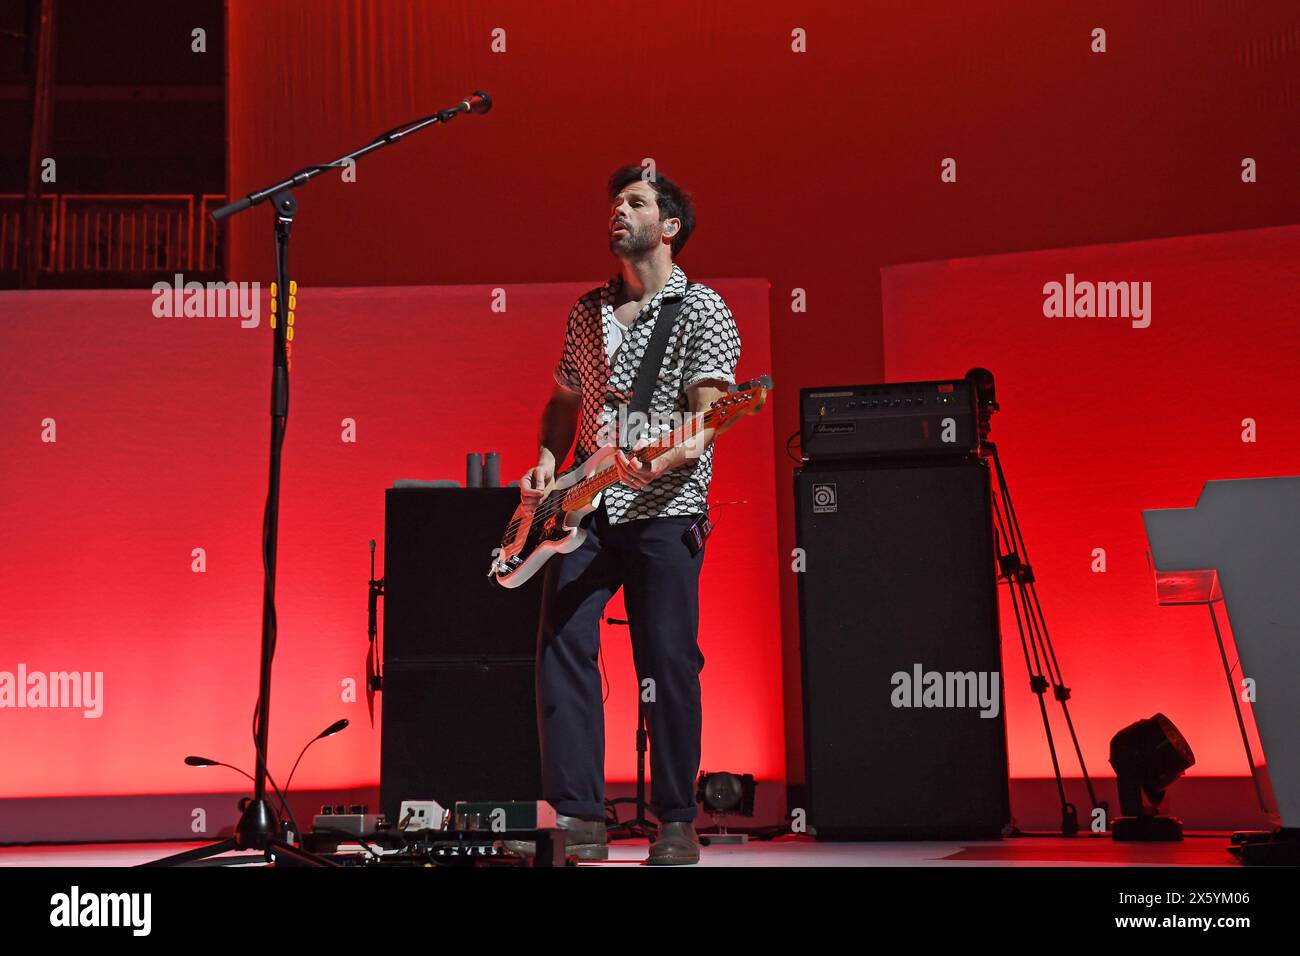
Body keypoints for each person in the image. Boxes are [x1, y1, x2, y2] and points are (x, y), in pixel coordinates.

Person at [510, 165, 741, 865]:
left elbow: (709, 419)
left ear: (669, 227)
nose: (618, 210)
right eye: (614, 200)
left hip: (665, 506)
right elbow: (562, 403)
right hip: (583, 506)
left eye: (635, 202)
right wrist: (550, 461)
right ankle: (581, 816)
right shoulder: (586, 311)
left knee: (668, 660)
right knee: (562, 647)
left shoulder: (702, 310)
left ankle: (676, 820)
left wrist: (662, 461)